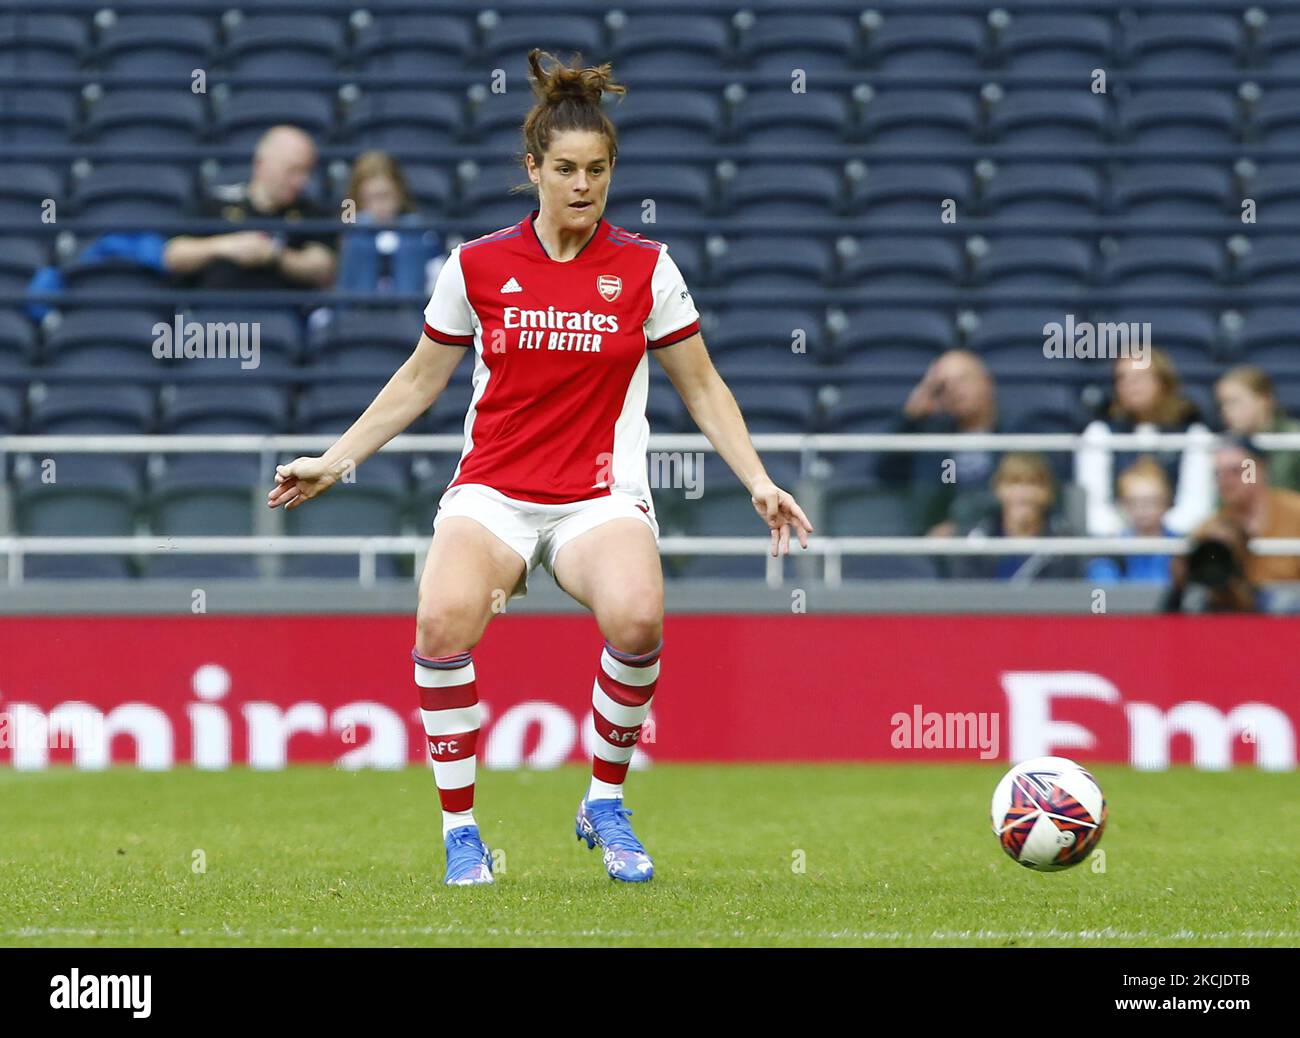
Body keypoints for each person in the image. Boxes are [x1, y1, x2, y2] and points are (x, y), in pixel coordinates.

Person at [266, 51, 813, 887]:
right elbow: (419, 378)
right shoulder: (478, 267)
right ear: (533, 170)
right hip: (494, 492)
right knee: (441, 622)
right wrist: (335, 462)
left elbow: (702, 386)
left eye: (597, 170)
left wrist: (758, 479)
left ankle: (604, 800)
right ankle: (461, 832)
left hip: (599, 494)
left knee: (638, 620)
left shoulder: (646, 269)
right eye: (565, 169)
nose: (582, 185)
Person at [163, 124, 337, 291]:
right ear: (260, 164)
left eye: (306, 171)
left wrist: (274, 256)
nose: (301, 181)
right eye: (292, 170)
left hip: (282, 314)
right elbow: (174, 255)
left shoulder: (311, 212)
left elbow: (322, 269)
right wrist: (225, 246)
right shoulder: (215, 202)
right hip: (214, 315)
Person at [1074, 350, 1214, 536]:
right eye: (1122, 378)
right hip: (1115, 545)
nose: (1130, 385)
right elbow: (1094, 507)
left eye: (1140, 377)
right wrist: (1126, 537)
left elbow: (1196, 505)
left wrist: (1161, 535)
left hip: (1177, 545)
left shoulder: (1194, 435)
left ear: (1163, 382)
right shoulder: (1099, 434)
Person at [879, 349, 1004, 534]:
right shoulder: (933, 438)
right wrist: (912, 417)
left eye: (963, 380)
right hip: (941, 546)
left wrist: (963, 527)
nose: (955, 391)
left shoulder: (1019, 430)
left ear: (987, 382)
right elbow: (886, 474)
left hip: (1002, 535)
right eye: (944, 386)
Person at [945, 452, 1081, 580]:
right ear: (998, 489)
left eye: (1034, 483)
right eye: (1014, 482)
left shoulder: (1065, 546)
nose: (1024, 493)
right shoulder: (974, 541)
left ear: (1049, 492)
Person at [336, 150, 444, 296]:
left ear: (399, 193)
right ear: (359, 198)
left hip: (412, 313)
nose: (379, 205)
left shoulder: (421, 234)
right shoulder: (349, 236)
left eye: (385, 196)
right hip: (358, 314)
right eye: (371, 198)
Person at [1211, 435, 1300, 586]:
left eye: (1235, 470)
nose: (1224, 480)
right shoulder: (1214, 525)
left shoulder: (1295, 511)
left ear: (1261, 469)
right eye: (1218, 473)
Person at [1084, 456, 1176, 584]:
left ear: (1167, 501)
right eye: (1133, 502)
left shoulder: (1182, 548)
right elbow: (1101, 595)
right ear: (1122, 504)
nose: (1142, 510)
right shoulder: (1111, 553)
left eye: (1151, 501)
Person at [1215, 365, 1300, 494]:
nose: (1225, 411)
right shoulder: (1227, 445)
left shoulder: (1294, 439)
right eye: (1222, 404)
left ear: (1263, 400)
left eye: (1234, 402)